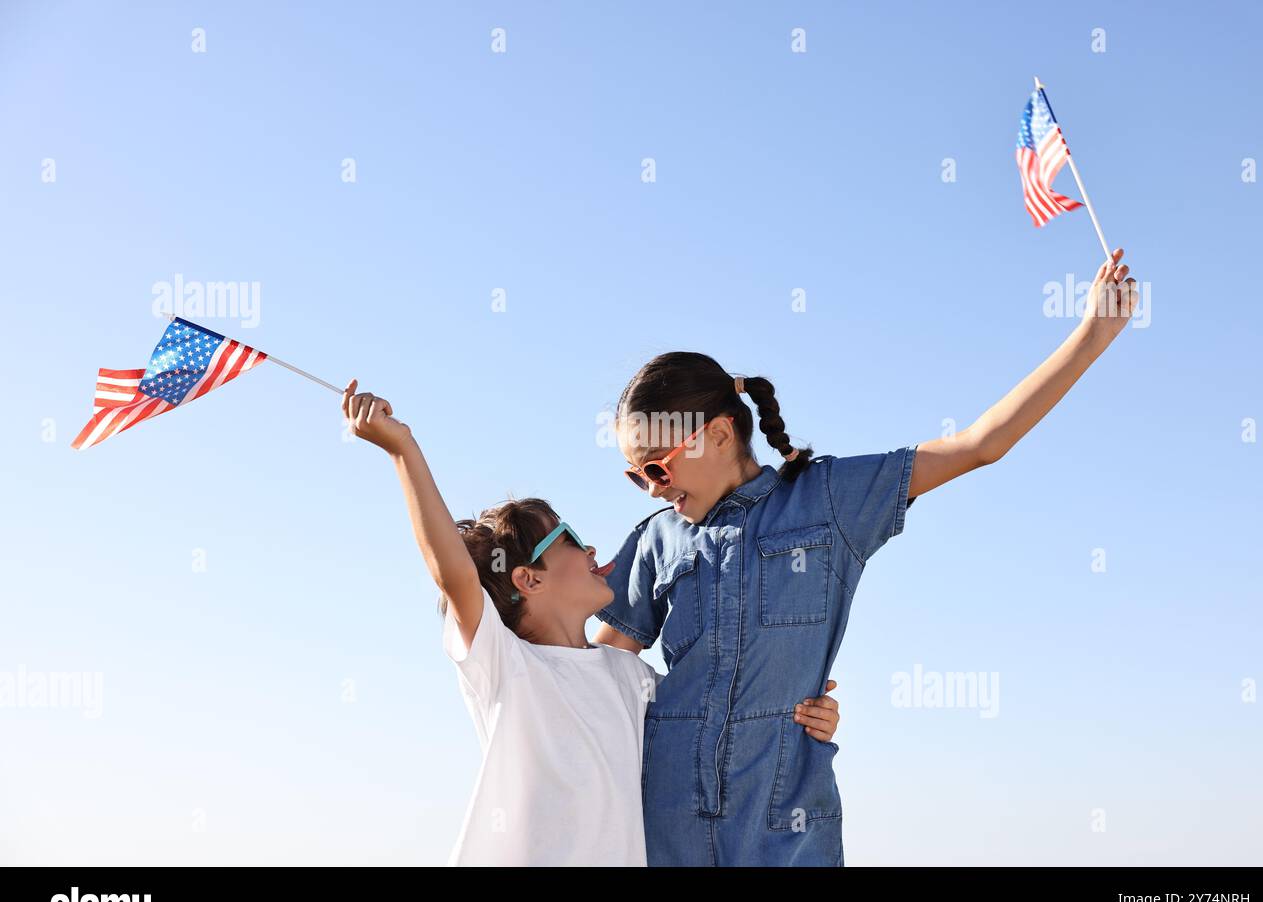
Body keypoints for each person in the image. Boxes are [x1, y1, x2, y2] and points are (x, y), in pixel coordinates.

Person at [593, 252, 1140, 866]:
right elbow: (597, 677)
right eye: (636, 478)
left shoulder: (830, 501)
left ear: (720, 433)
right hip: (665, 824)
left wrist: (1091, 336)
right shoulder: (655, 540)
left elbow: (979, 445)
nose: (654, 488)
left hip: (784, 829)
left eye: (658, 468)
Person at [338, 380, 845, 865]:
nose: (592, 549)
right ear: (528, 580)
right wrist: (402, 449)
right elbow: (454, 574)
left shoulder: (632, 678)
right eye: (569, 540)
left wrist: (802, 711)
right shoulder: (507, 666)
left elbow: (721, 714)